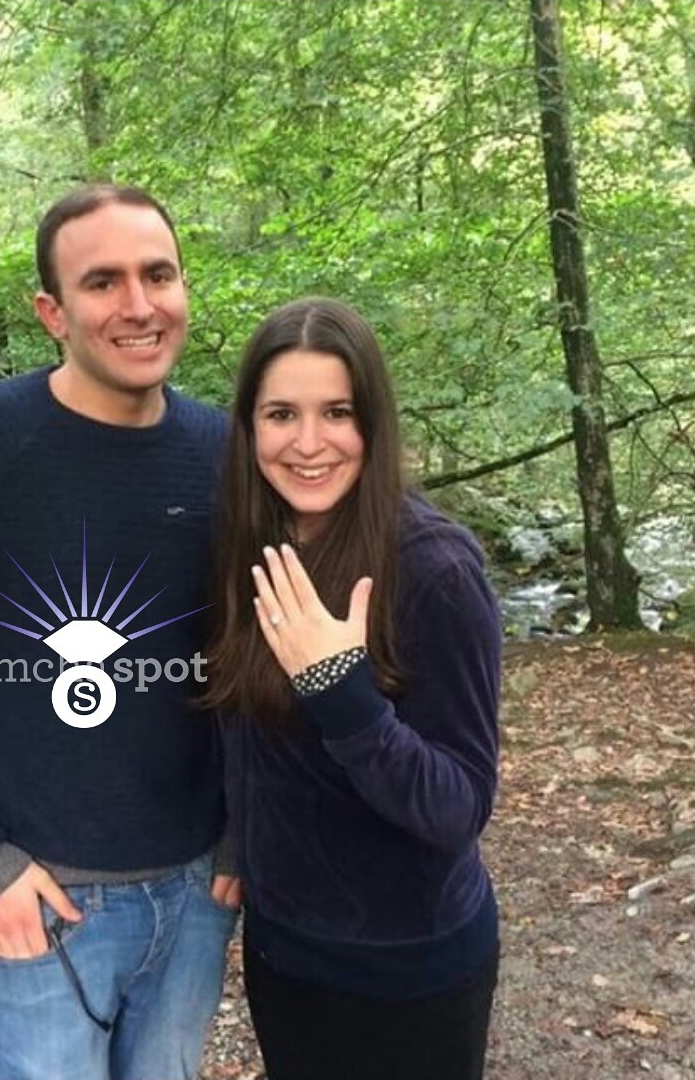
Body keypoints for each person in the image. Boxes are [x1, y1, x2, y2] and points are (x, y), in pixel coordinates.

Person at [0, 184, 238, 1080]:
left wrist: (246, 831)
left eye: (159, 274)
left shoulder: (223, 449)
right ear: (52, 312)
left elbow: (254, 657)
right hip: (42, 899)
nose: (139, 305)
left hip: (198, 893)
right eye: (103, 282)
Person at [204, 297, 501, 1080]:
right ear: (249, 428)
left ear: (373, 421)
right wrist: (241, 837)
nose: (308, 443)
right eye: (281, 414)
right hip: (284, 952)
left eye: (336, 411)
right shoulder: (253, 544)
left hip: (410, 973)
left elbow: (459, 807)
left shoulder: (435, 570)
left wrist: (343, 692)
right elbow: (245, 724)